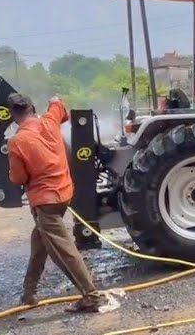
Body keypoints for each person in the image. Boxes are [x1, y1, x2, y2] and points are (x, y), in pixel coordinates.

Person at [6, 93, 116, 314]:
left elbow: (17, 178)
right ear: (32, 107)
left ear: (12, 115)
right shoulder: (48, 121)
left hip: (45, 202)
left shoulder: (17, 142)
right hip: (64, 195)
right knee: (40, 241)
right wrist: (54, 101)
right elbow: (59, 107)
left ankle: (91, 296)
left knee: (63, 250)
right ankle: (29, 294)